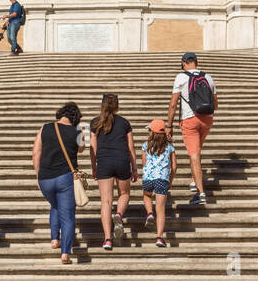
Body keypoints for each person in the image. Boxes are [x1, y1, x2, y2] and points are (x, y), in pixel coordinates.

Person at [33, 102, 83, 264]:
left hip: (45, 178)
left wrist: (38, 175)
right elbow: (82, 149)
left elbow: (36, 152)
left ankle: (55, 239)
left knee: (55, 206)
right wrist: (84, 131)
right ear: (75, 118)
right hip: (65, 178)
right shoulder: (77, 132)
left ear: (61, 113)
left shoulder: (45, 128)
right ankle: (65, 253)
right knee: (68, 217)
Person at [167, 52, 217, 207]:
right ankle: (193, 181)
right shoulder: (208, 77)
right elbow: (215, 104)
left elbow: (173, 104)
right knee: (196, 150)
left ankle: (200, 192)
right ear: (197, 62)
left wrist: (169, 125)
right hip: (207, 119)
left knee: (194, 154)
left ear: (183, 63)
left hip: (189, 119)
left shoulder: (181, 77)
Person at [90, 93, 137, 250]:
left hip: (104, 162)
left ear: (102, 106)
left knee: (106, 202)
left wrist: (94, 167)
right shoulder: (124, 123)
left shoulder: (95, 122)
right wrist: (135, 168)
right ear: (117, 106)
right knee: (124, 194)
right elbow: (131, 148)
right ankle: (118, 215)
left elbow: (93, 148)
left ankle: (108, 239)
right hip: (122, 160)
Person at [140, 118, 177, 247]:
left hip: (148, 178)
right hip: (163, 179)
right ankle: (160, 237)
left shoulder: (145, 145)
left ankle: (150, 213)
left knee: (147, 195)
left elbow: (144, 163)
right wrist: (170, 180)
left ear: (152, 132)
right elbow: (174, 167)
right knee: (161, 210)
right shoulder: (170, 147)